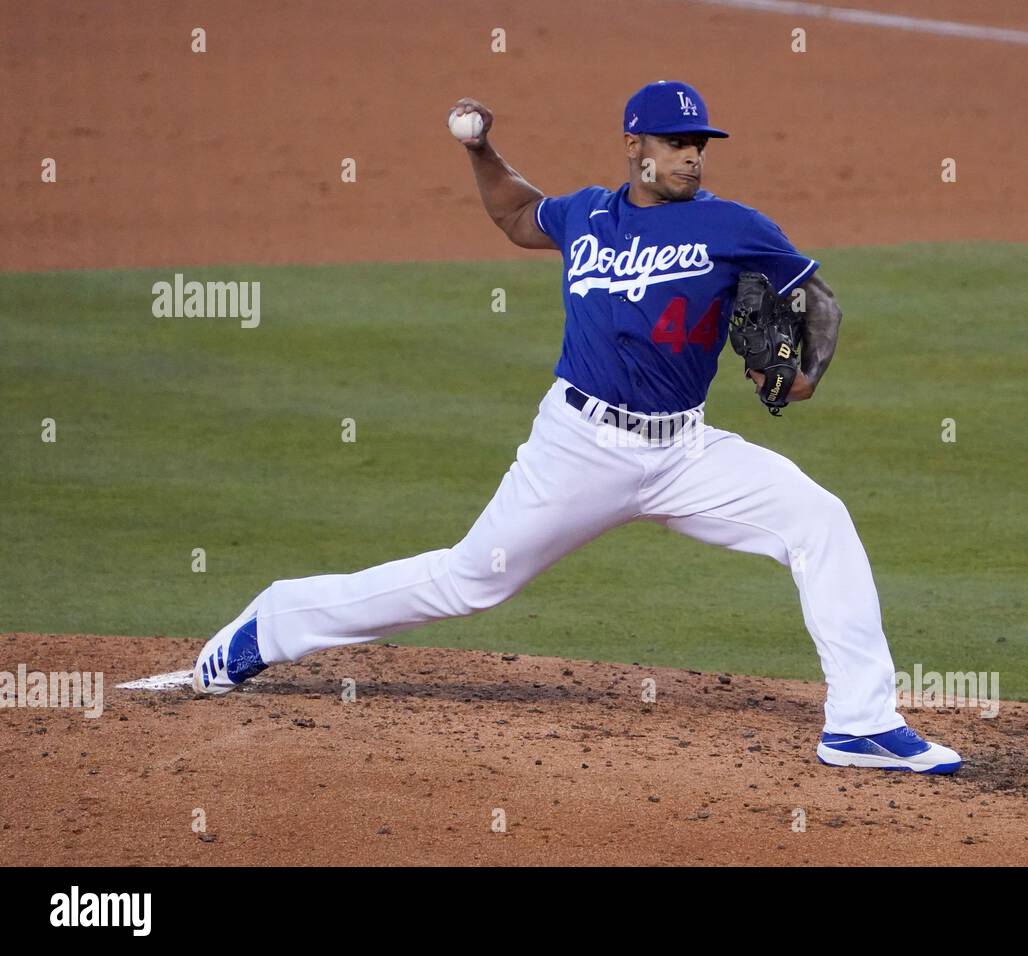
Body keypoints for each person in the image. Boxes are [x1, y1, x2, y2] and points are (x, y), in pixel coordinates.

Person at [192, 80, 961, 774]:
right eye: (675, 144)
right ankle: (274, 622)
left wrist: (802, 375)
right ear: (635, 145)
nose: (691, 158)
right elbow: (519, 214)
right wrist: (481, 148)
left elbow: (815, 297)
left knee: (817, 520)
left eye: (699, 145)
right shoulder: (587, 214)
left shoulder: (734, 226)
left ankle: (860, 723)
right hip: (579, 447)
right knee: (472, 580)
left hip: (686, 450)